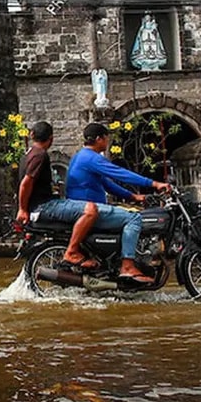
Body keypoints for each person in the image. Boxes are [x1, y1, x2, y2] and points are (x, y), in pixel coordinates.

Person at [64, 122, 170, 284]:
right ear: (99, 139)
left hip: (83, 209)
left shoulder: (79, 156)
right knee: (133, 218)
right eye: (106, 138)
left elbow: (107, 184)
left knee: (126, 212)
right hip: (90, 210)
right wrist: (153, 184)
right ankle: (127, 265)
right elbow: (120, 174)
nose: (107, 142)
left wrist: (132, 197)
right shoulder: (92, 158)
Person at [15, 121, 100, 270]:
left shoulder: (27, 154)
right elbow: (25, 183)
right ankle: (72, 252)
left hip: (40, 205)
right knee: (90, 210)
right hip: (45, 206)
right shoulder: (40, 155)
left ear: (32, 135)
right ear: (51, 138)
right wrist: (22, 209)